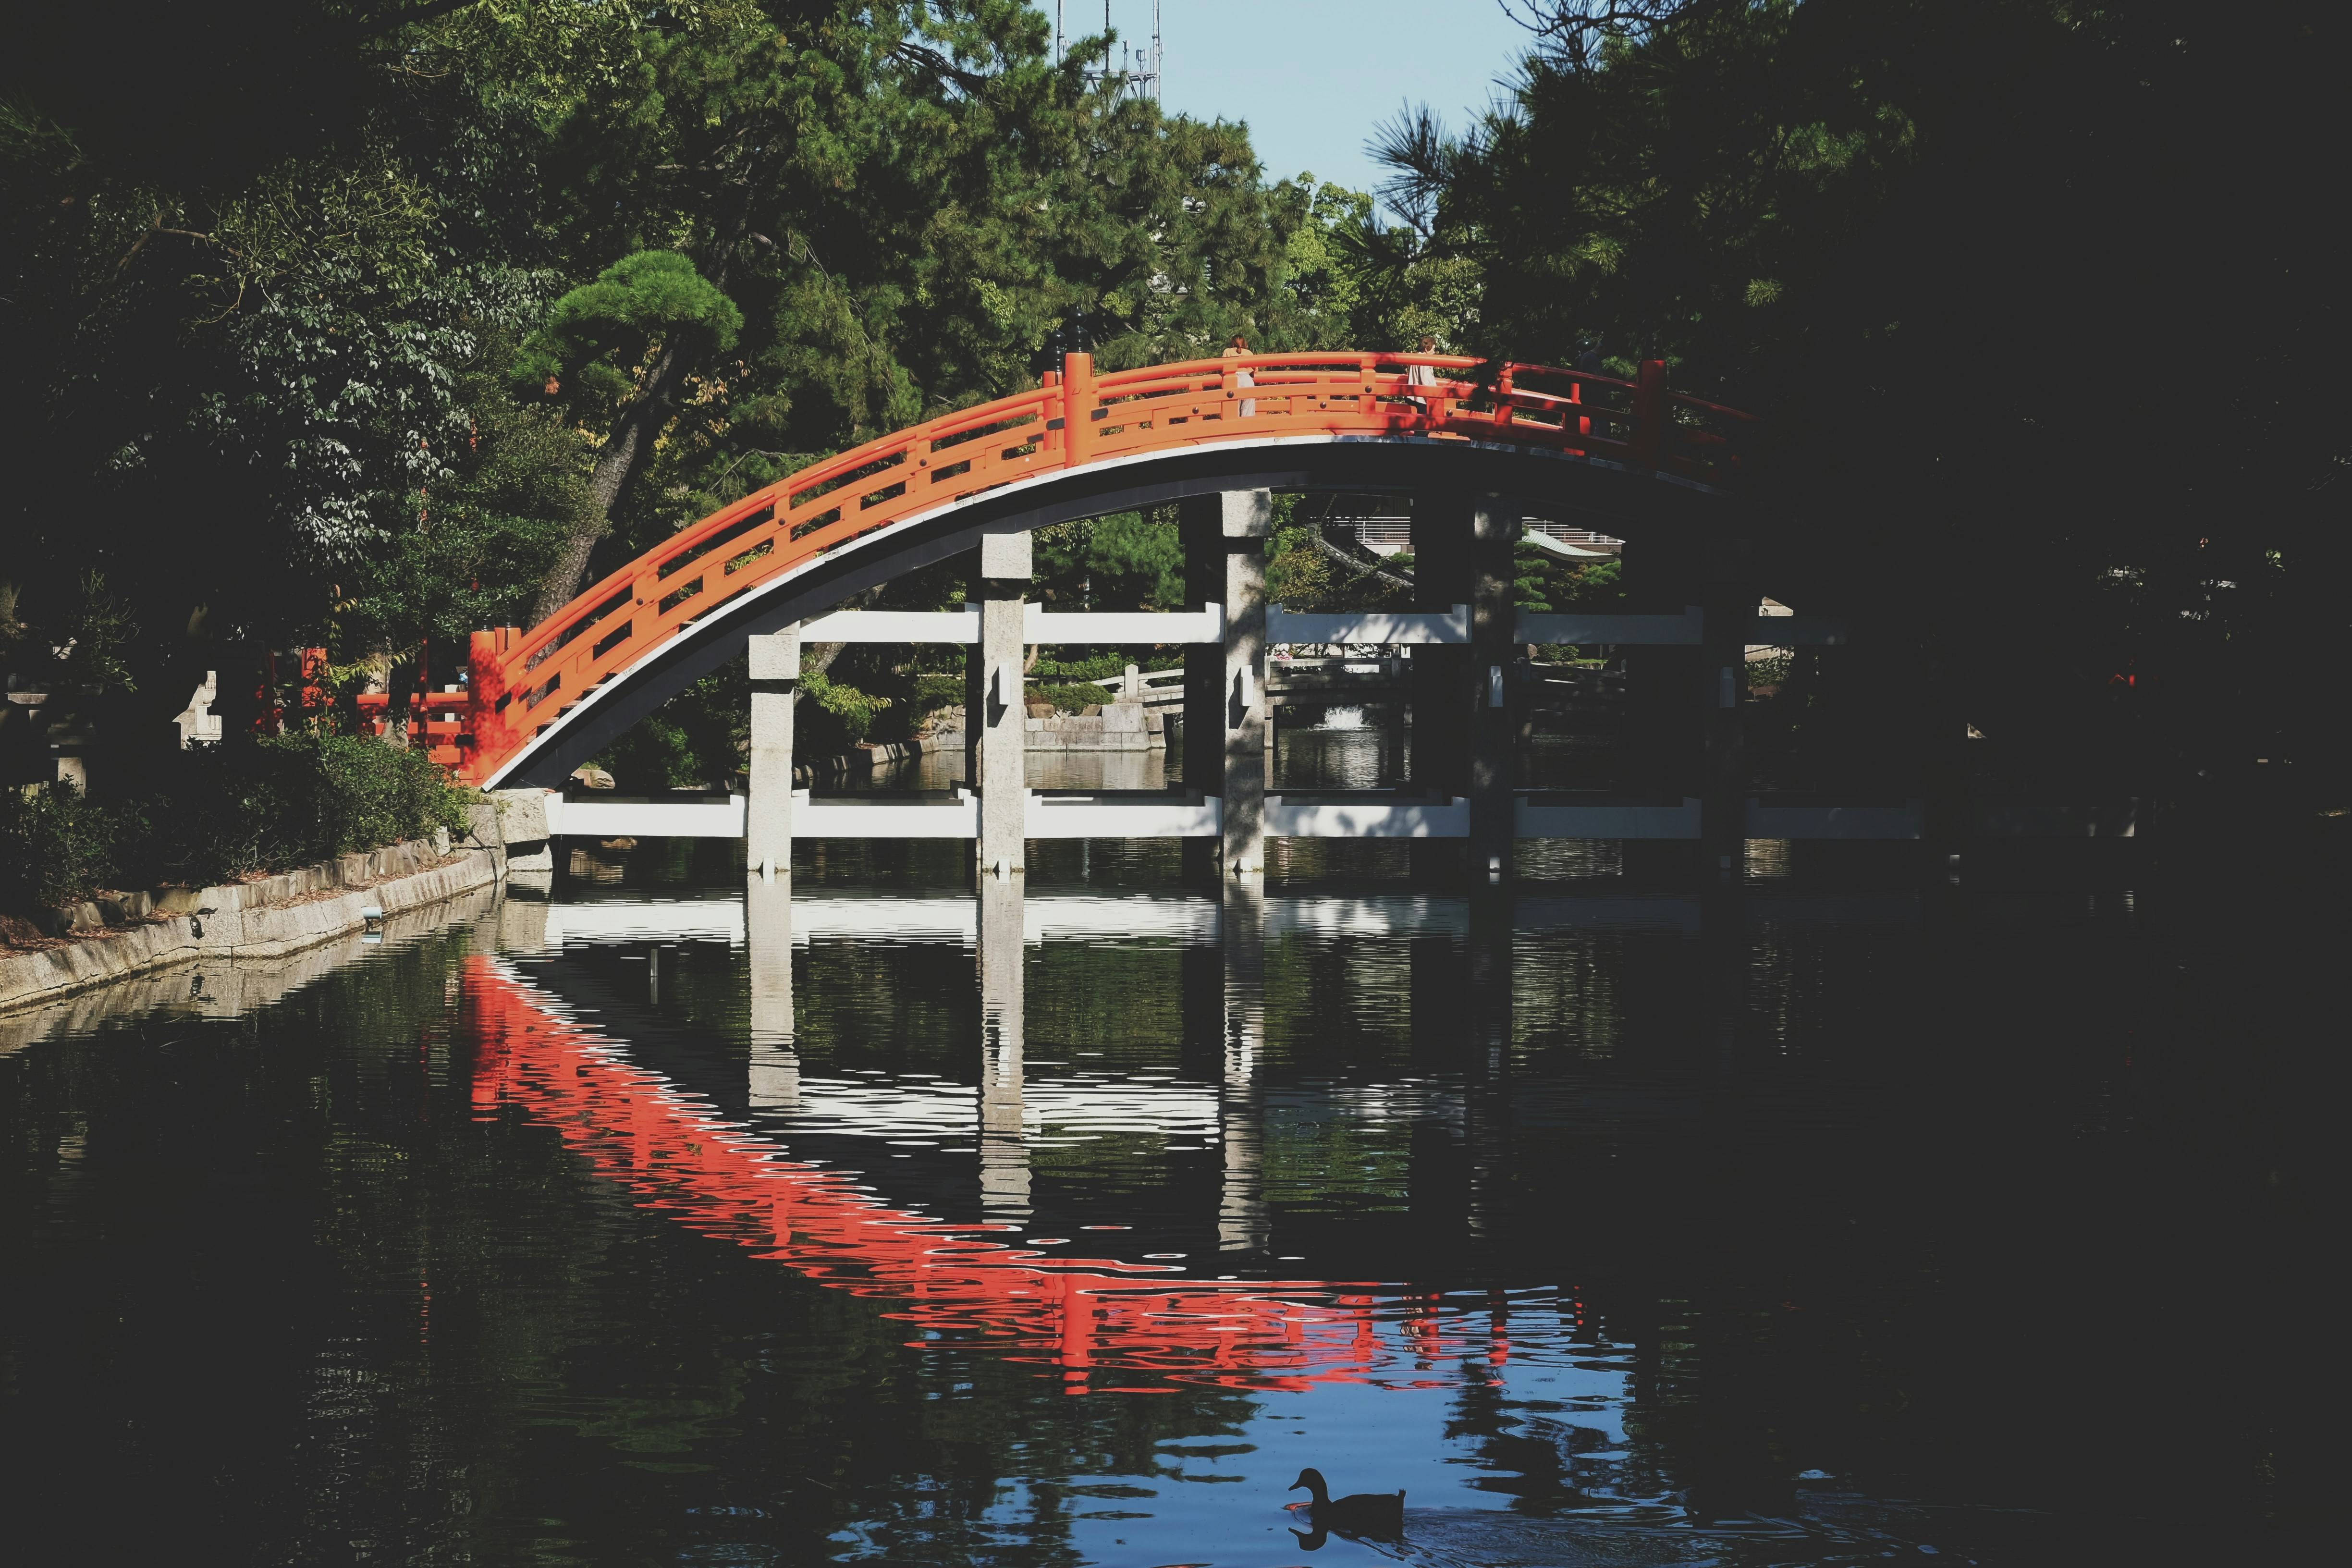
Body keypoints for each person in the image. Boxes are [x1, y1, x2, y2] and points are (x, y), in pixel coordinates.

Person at [1407, 334, 1441, 411]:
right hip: (1423, 398)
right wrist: (1433, 396)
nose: (1434, 352)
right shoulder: (1425, 360)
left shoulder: (1415, 357)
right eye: (1433, 349)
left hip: (1415, 394)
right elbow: (1425, 380)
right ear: (1426, 349)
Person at [1225, 333, 1256, 416]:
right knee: (1248, 413)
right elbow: (1255, 370)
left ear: (1233, 343)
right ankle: (1247, 428)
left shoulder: (1228, 351)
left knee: (1233, 413)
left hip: (1233, 380)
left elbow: (1223, 368)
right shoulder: (1249, 353)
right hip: (1247, 380)